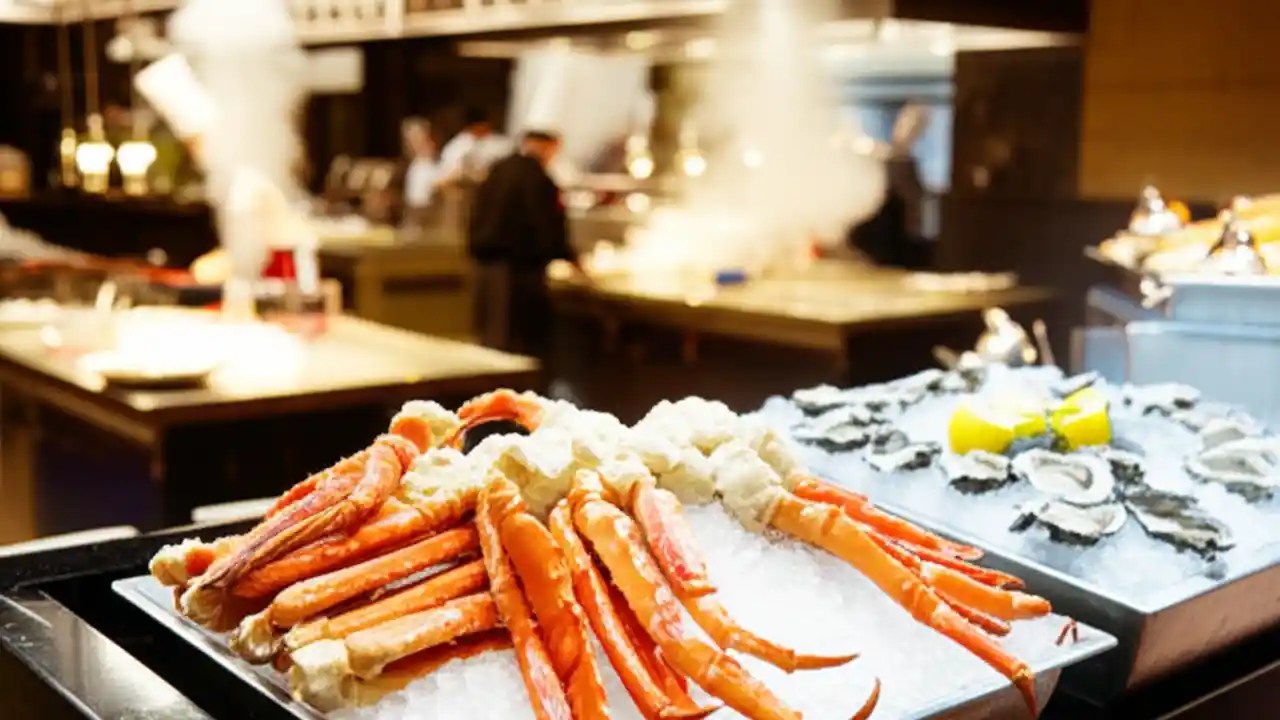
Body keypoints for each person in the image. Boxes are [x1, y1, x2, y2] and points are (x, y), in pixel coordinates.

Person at [468, 129, 581, 356]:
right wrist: (569, 256)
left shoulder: (498, 171)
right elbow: (545, 223)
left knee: (491, 337)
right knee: (514, 340)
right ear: (547, 147)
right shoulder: (536, 177)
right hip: (517, 270)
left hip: (485, 264)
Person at [849, 102, 932, 268]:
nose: (907, 129)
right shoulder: (881, 156)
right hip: (884, 239)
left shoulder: (903, 162)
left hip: (898, 241)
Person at [438, 107, 512, 184]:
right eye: (478, 126)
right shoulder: (456, 147)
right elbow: (449, 171)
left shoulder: (502, 144)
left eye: (483, 125)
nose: (481, 128)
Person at [399, 117, 442, 222]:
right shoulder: (415, 165)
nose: (410, 144)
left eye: (416, 138)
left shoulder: (436, 164)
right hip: (412, 217)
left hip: (429, 219)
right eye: (408, 140)